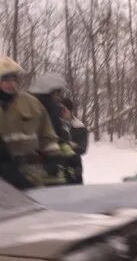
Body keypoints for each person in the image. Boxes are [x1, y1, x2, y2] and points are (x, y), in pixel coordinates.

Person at [0, 56, 65, 188]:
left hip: (32, 175)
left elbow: (48, 137)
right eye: (6, 79)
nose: (12, 83)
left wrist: (54, 160)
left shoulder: (32, 103)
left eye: (14, 78)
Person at [61, 98, 88, 184]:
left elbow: (82, 148)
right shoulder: (55, 125)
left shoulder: (79, 127)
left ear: (70, 111)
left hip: (75, 167)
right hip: (58, 168)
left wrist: (66, 145)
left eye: (64, 110)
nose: (61, 112)